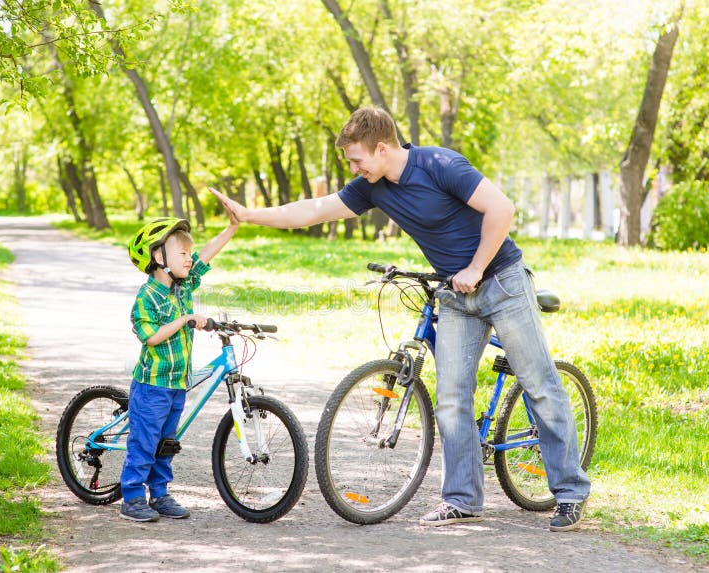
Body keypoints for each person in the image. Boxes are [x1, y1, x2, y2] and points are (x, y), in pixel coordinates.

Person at [210, 107, 590, 532]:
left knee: (539, 383)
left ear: (384, 147)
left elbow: (502, 208)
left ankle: (570, 493)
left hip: (501, 282)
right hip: (455, 294)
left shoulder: (440, 164)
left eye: (357, 159)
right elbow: (313, 210)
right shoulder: (373, 187)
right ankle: (463, 499)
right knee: (451, 399)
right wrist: (248, 214)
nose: (353, 168)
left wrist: (476, 268)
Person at [120, 213, 238, 522]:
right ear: (159, 257)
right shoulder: (147, 297)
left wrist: (232, 227)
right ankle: (132, 498)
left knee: (166, 443)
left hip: (176, 384)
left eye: (189, 253)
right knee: (144, 442)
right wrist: (185, 319)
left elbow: (206, 255)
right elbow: (151, 337)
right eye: (182, 253)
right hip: (152, 385)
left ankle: (159, 494)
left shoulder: (181, 287)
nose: (189, 259)